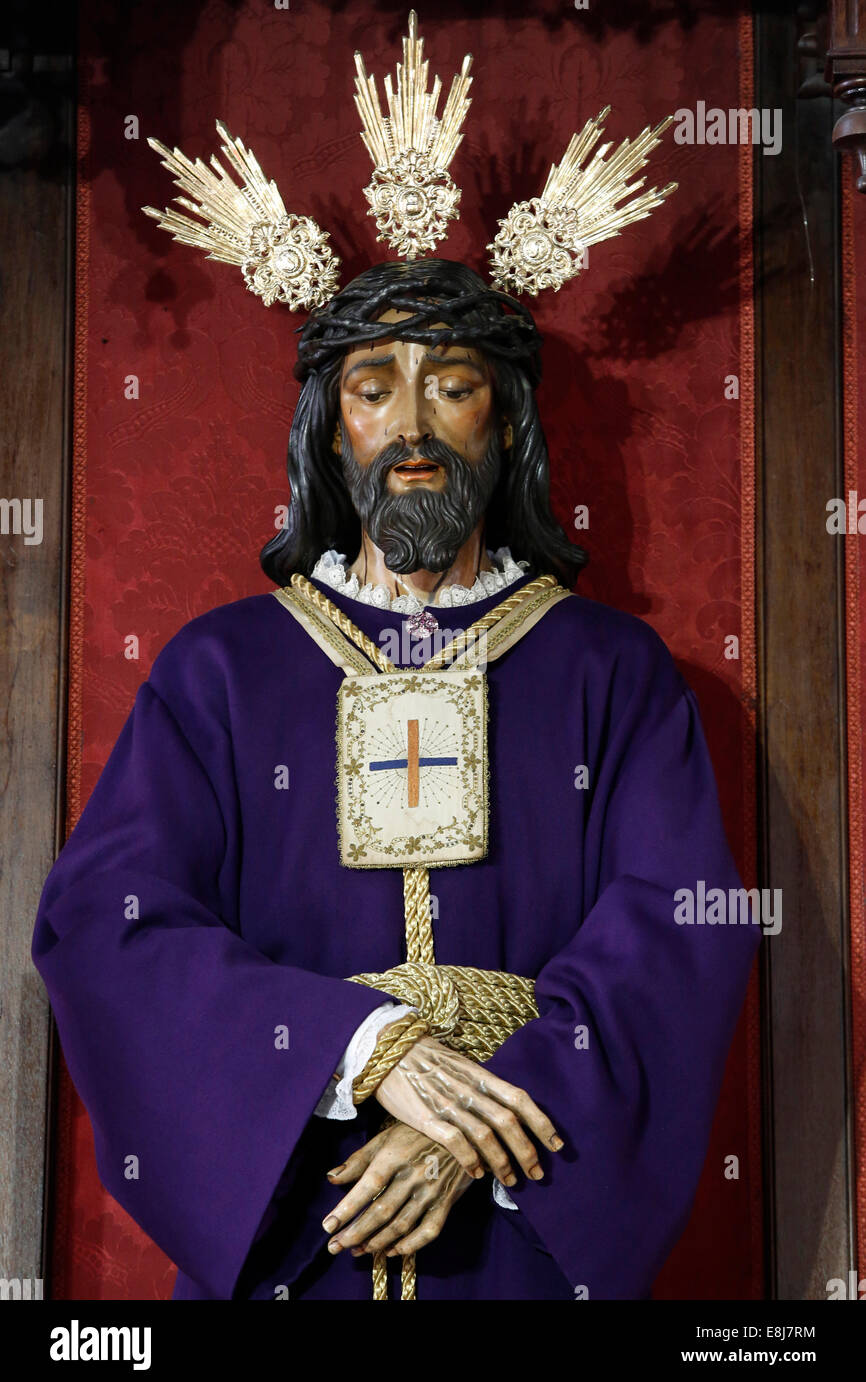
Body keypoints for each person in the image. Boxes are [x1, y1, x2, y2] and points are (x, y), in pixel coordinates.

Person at [32, 255, 760, 1301]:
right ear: (333, 430)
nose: (412, 426)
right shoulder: (221, 669)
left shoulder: (607, 667)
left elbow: (675, 928)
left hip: (526, 1204)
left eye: (453, 385)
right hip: (308, 1204)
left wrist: (478, 1132)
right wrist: (362, 1050)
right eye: (374, 388)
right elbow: (107, 922)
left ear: (505, 422)